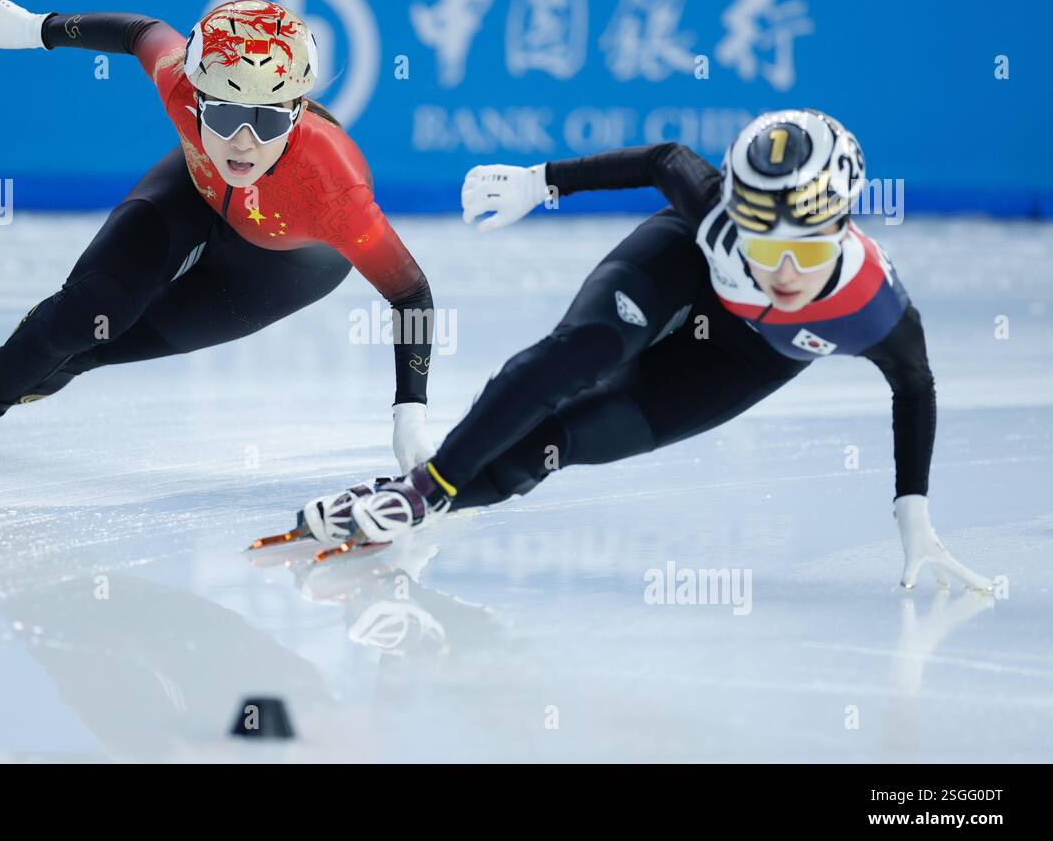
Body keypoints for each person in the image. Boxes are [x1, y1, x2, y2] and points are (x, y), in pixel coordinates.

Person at [296, 109, 990, 591]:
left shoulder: (872, 304)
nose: (780, 270)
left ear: (841, 228)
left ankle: (410, 498)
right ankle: (422, 490)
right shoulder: (713, 216)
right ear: (735, 215)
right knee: (585, 352)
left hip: (750, 356)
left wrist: (914, 513)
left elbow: (915, 386)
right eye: (760, 239)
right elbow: (663, 161)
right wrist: (542, 182)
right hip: (681, 265)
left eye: (803, 249)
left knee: (568, 439)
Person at [0, 0, 437, 473]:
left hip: (283, 266)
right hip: (194, 193)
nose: (241, 141)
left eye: (266, 122)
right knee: (88, 313)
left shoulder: (335, 187)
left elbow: (411, 295)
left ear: (297, 113)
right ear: (197, 94)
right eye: (227, 111)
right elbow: (140, 30)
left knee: (92, 349)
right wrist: (37, 29)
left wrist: (410, 408)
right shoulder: (179, 78)